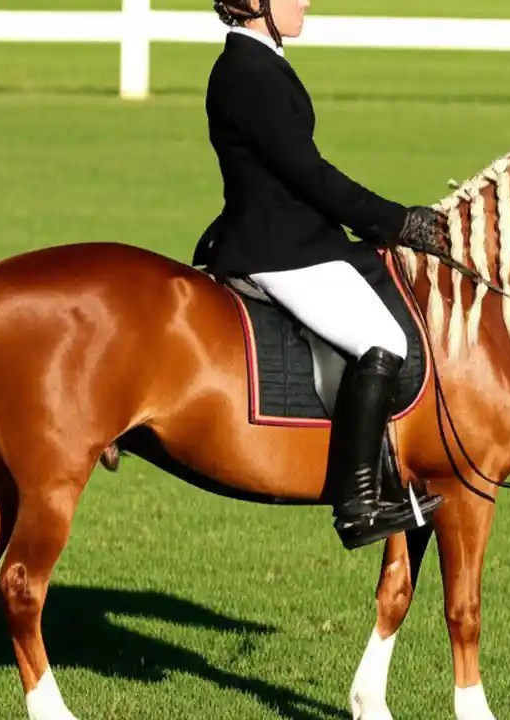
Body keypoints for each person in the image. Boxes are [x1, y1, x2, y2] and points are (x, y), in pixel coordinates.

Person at [194, 0, 448, 550]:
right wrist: (396, 221)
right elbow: (309, 175)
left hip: (298, 238)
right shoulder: (246, 71)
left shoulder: (259, 61)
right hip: (278, 250)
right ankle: (358, 505)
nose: (305, 0)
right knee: (382, 339)